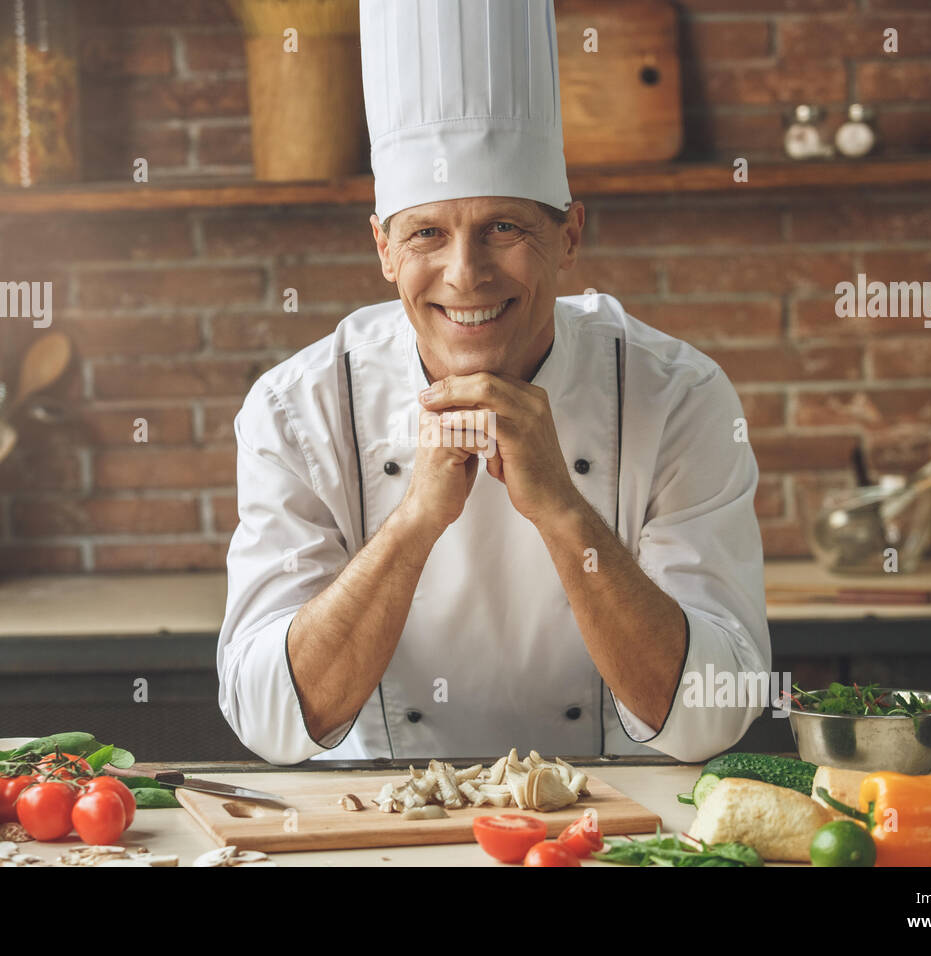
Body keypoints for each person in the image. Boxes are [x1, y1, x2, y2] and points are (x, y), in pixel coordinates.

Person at [217, 0, 769, 765]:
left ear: (569, 235)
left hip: (611, 833)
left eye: (504, 228)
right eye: (427, 234)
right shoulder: (297, 407)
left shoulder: (677, 396)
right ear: (383, 248)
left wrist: (561, 509)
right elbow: (269, 720)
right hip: (375, 827)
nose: (466, 274)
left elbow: (718, 709)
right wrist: (412, 524)